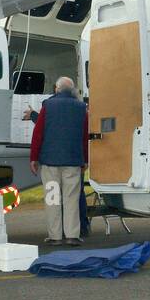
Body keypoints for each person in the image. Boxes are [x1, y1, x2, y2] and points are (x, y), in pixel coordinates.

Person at [29, 76, 89, 246]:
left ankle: (55, 236)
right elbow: (84, 137)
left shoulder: (48, 105)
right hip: (72, 161)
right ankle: (72, 235)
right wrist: (85, 159)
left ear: (56, 88)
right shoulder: (81, 108)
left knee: (53, 198)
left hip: (50, 162)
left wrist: (34, 157)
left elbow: (38, 133)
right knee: (71, 199)